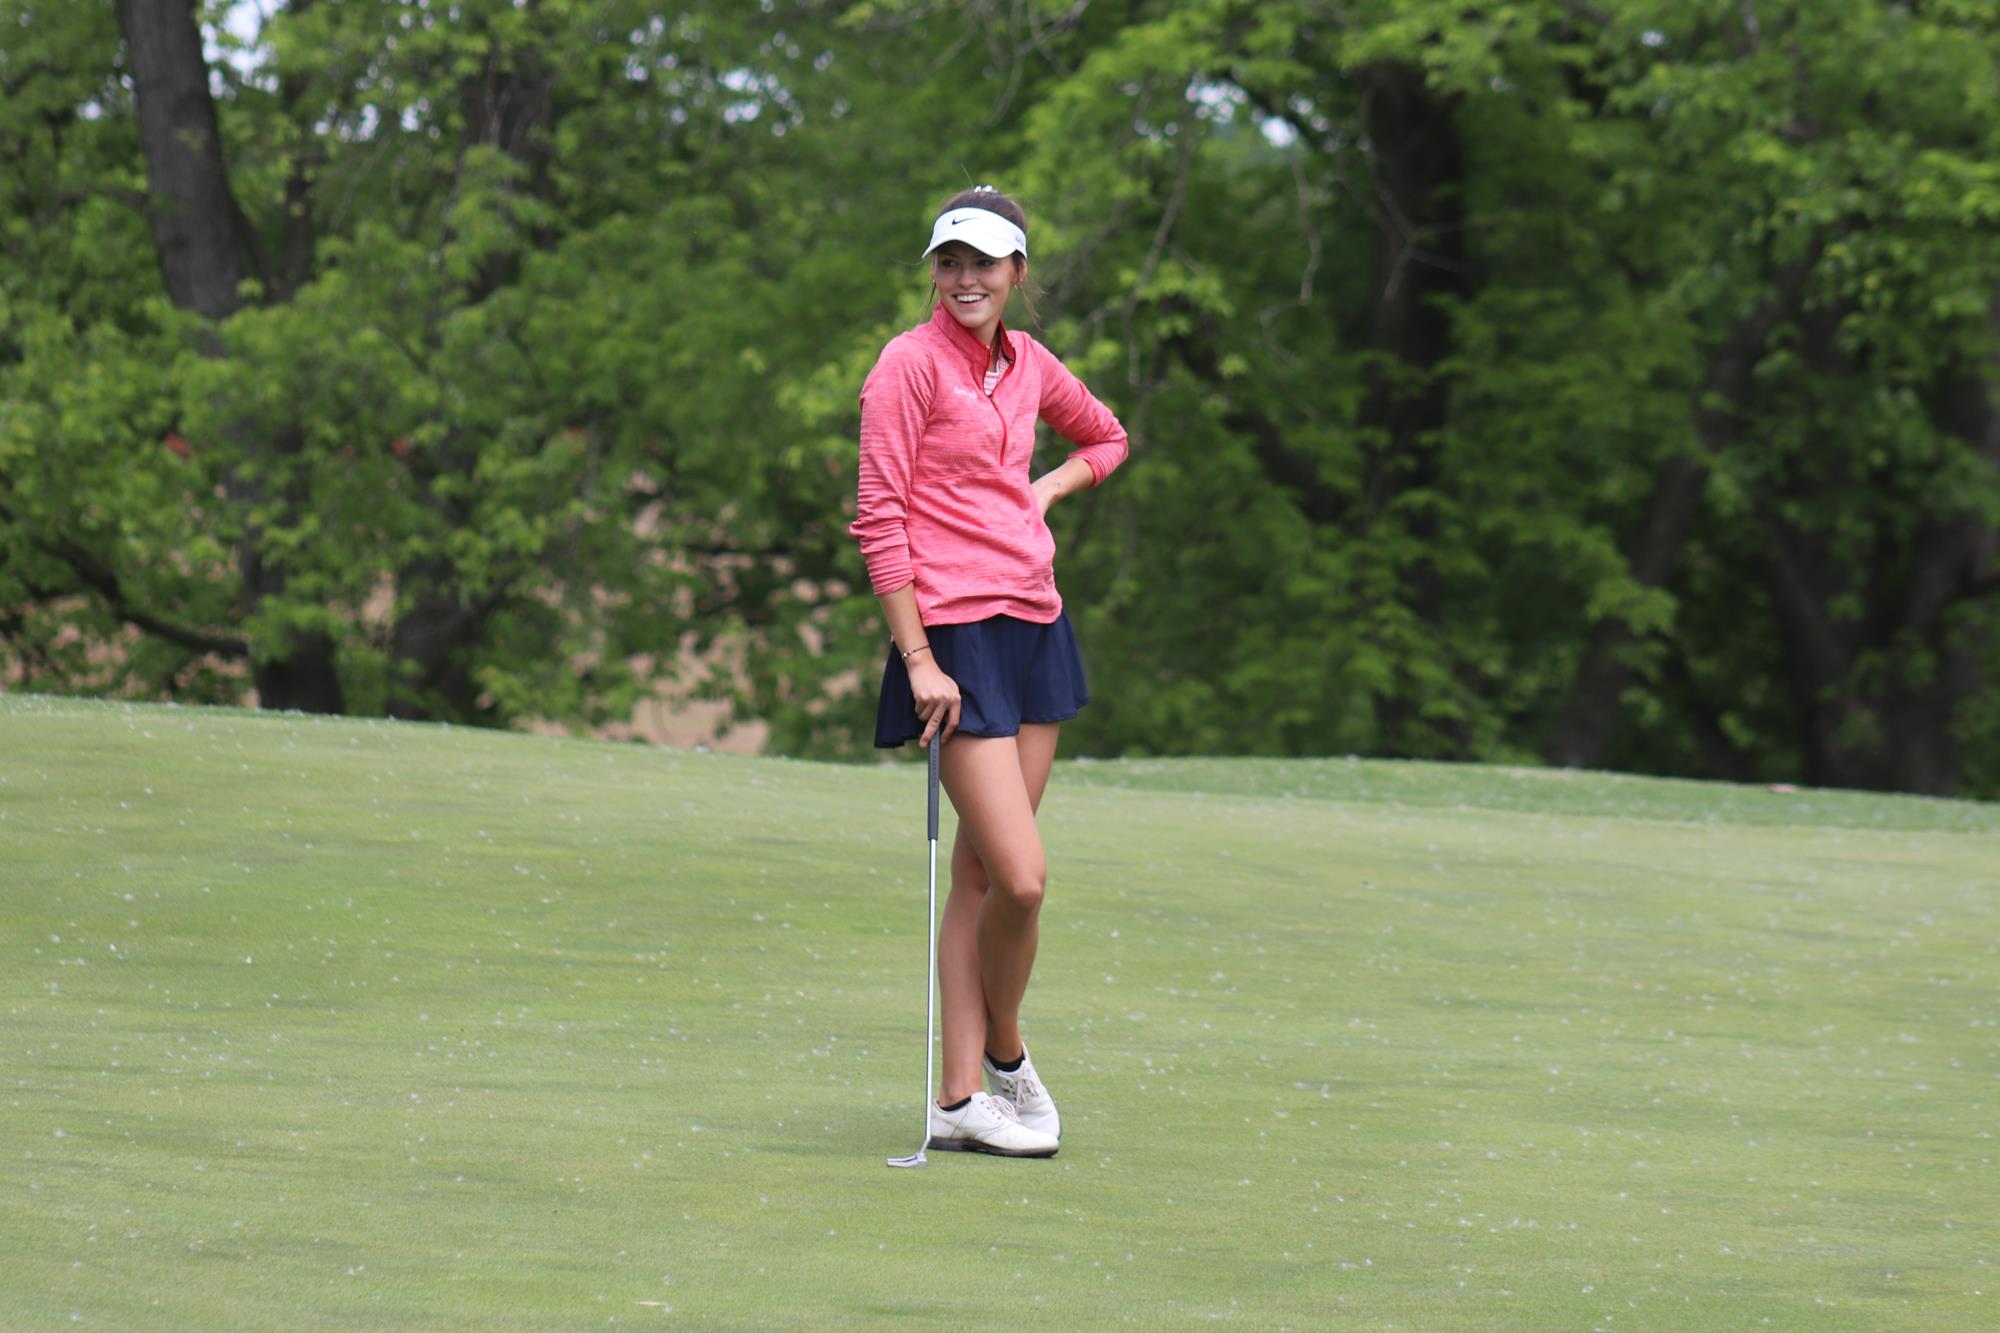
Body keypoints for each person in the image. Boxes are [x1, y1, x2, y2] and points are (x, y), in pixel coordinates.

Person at [850, 187, 1128, 1159]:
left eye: (983, 262)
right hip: (954, 642)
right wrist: (918, 658)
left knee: (979, 874)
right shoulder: (906, 364)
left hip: (1034, 625)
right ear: (934, 270)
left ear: (1016, 271)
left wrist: (1044, 489)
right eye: (949, 261)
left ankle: (961, 1095)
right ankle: (1004, 1057)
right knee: (1021, 877)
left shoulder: (1030, 363)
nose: (964, 278)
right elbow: (878, 518)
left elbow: (1107, 435)